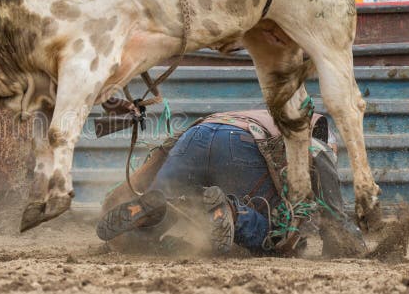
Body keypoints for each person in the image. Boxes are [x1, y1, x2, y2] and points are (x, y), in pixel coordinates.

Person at [96, 109, 367, 258]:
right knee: (279, 238)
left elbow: (164, 152)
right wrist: (343, 232)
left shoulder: (259, 113)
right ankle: (233, 213)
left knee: (166, 210)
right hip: (241, 145)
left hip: (195, 135)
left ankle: (147, 216)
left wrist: (125, 191)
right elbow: (321, 158)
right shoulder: (316, 130)